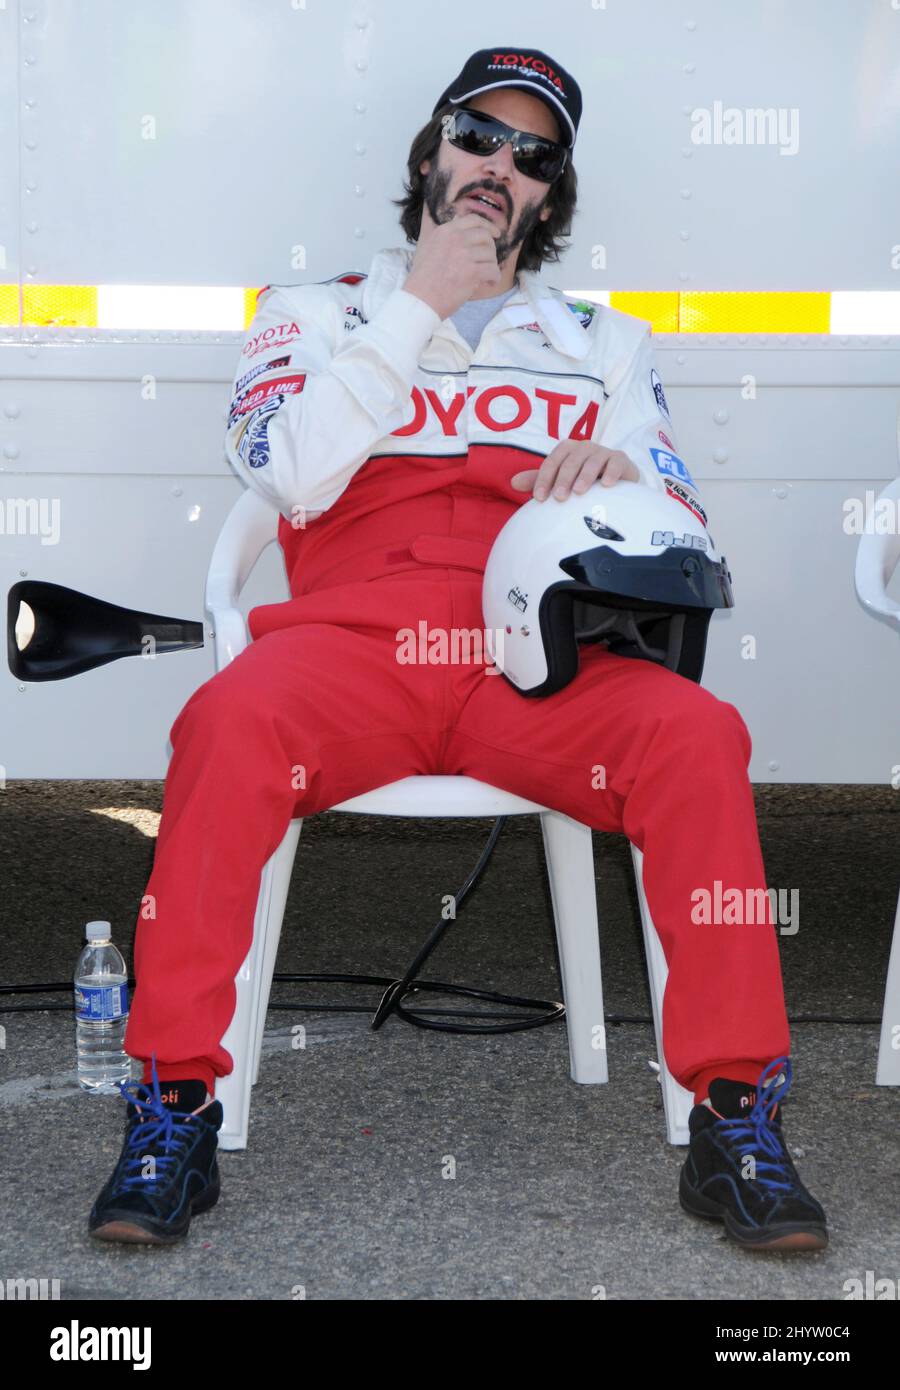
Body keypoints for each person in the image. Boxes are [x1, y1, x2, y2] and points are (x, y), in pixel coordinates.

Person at [88, 47, 827, 1252]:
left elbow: (686, 522)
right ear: (430, 153)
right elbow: (284, 469)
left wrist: (623, 479)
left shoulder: (604, 341)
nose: (499, 166)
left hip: (535, 659)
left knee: (701, 734)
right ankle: (174, 1103)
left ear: (553, 196)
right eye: (479, 136)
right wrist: (420, 304)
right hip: (347, 647)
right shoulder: (312, 312)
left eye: (534, 156)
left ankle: (733, 1114)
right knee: (222, 722)